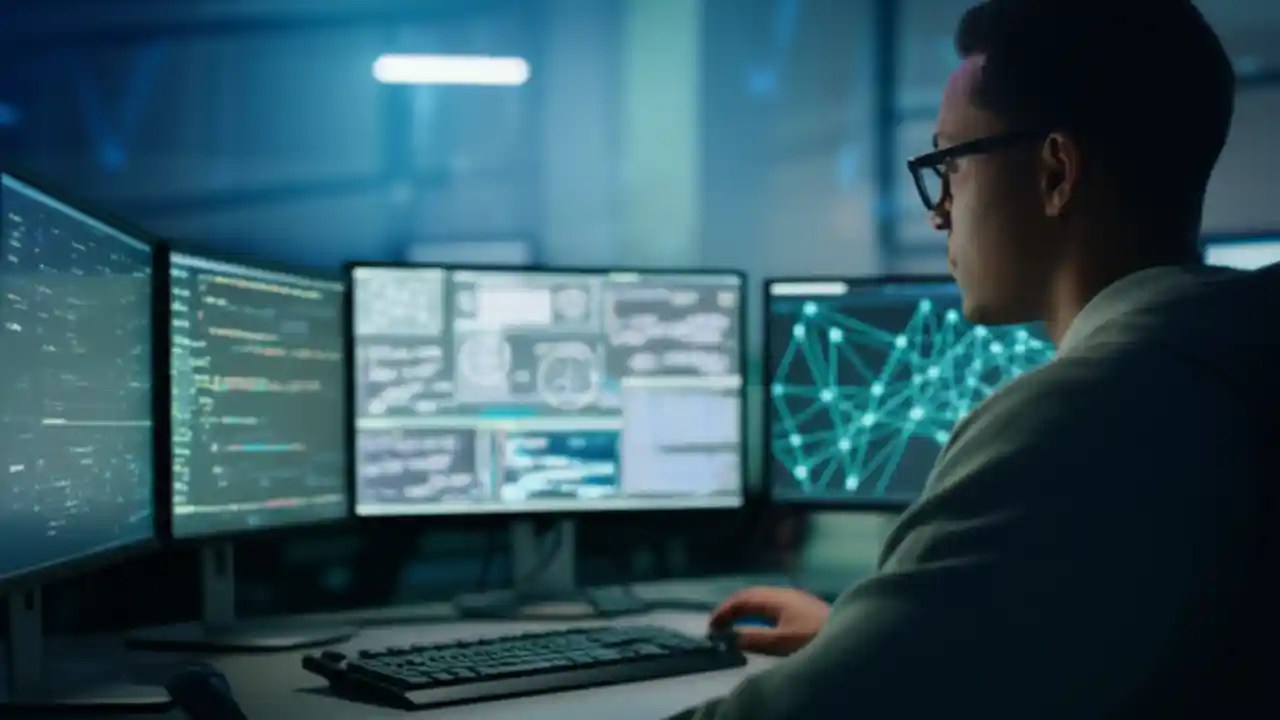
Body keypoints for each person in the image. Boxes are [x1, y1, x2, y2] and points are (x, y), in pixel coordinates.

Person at [669, 1, 1280, 717]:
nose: (938, 213)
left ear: (1057, 173)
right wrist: (860, 638)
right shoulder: (1235, 350)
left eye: (950, 163)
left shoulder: (1077, 416)